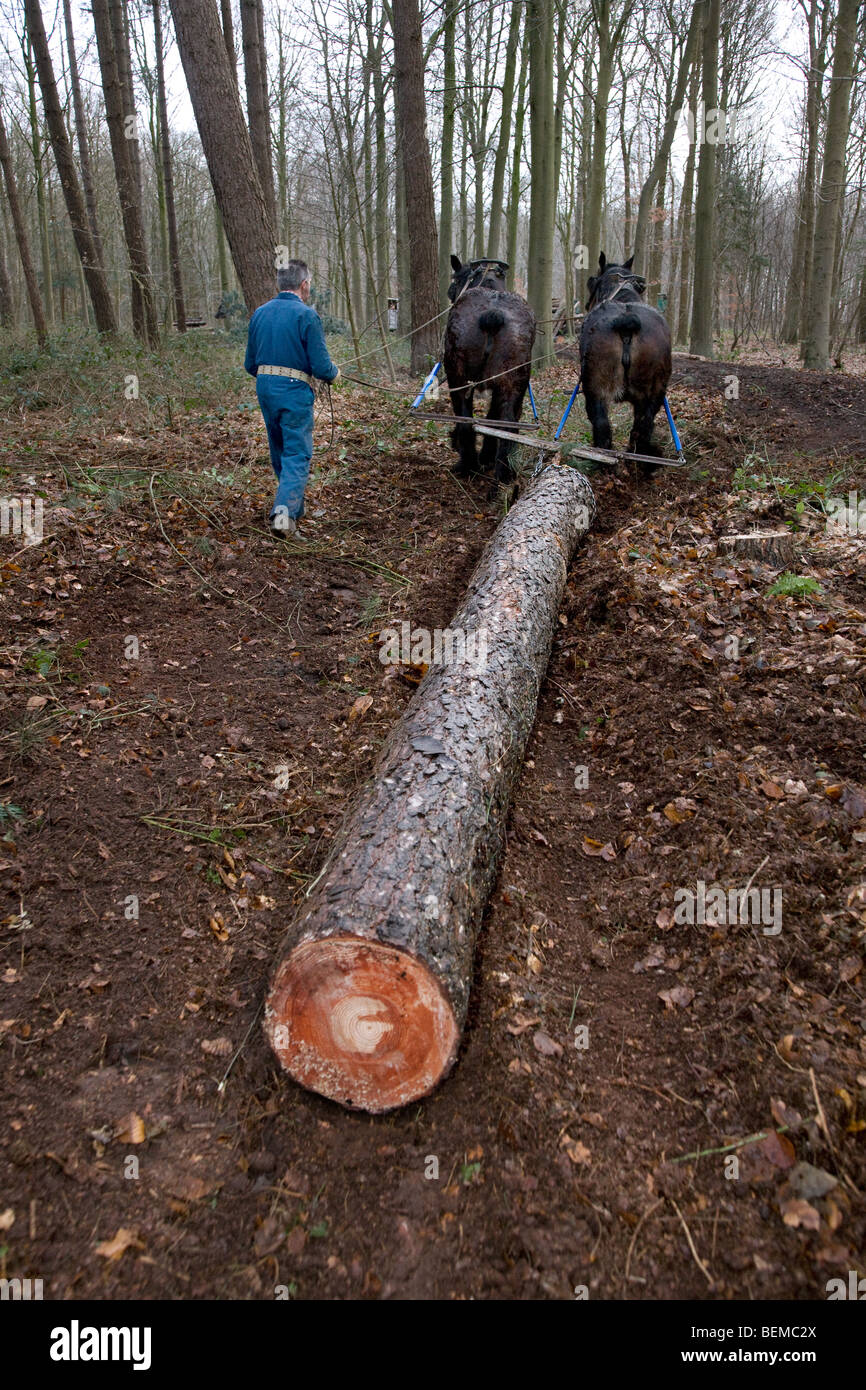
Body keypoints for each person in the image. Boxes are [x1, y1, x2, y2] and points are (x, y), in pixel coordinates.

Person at [244, 260, 340, 538]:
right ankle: (284, 517)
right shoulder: (306, 315)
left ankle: (292, 507)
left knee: (280, 449)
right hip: (293, 391)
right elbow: (322, 367)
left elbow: (250, 364)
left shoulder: (259, 314)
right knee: (297, 453)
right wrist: (334, 375)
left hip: (265, 388)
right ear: (304, 285)